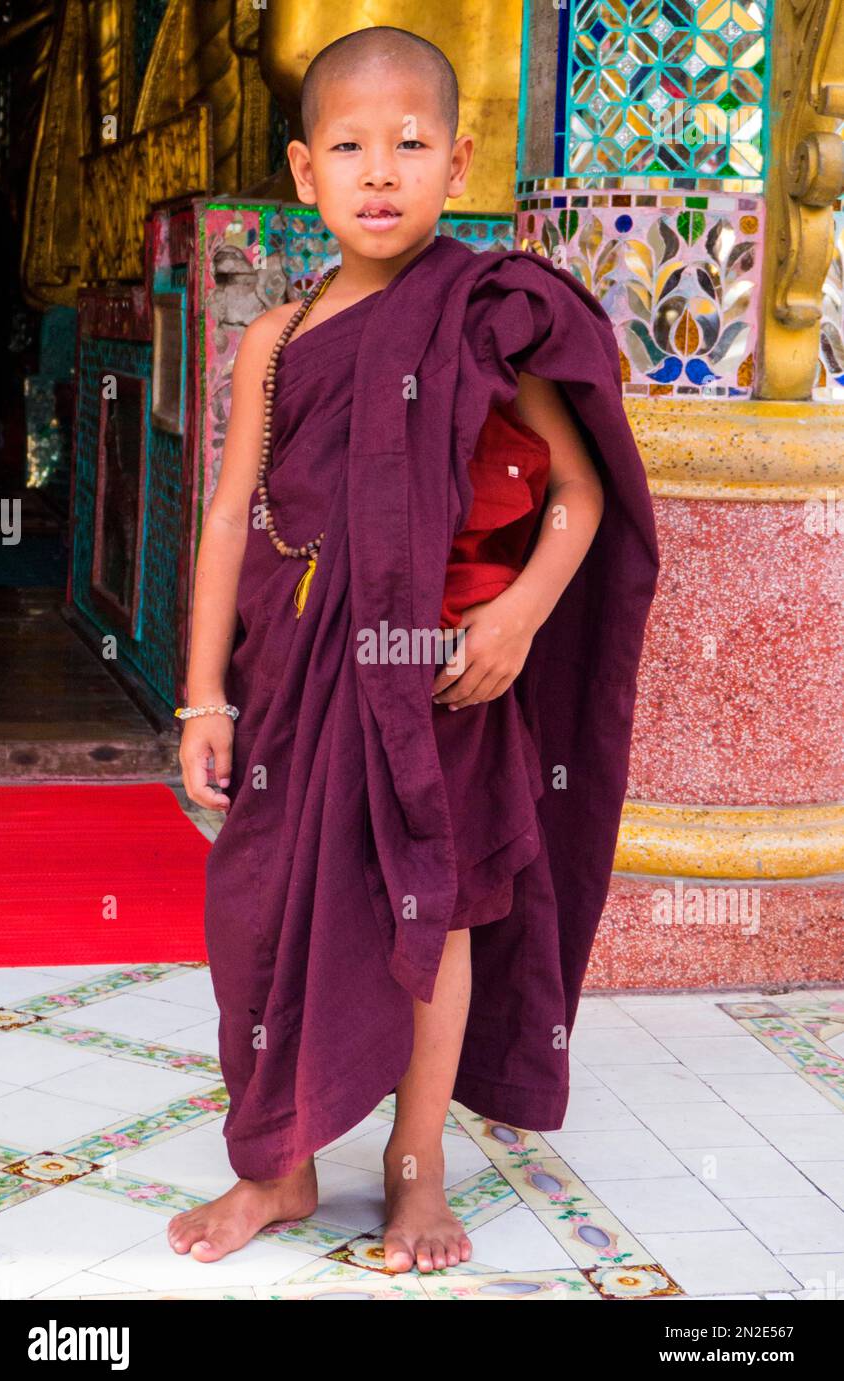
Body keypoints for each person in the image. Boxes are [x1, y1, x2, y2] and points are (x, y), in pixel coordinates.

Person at [169, 25, 659, 1275]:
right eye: (347, 145)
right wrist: (202, 696)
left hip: (437, 678)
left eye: (410, 142)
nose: (378, 170)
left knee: (427, 916)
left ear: (461, 160)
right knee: (266, 915)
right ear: (300, 170)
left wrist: (519, 613)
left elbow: (580, 496)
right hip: (293, 679)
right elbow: (229, 513)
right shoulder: (279, 341)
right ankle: (277, 1171)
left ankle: (415, 1169)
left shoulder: (487, 312)